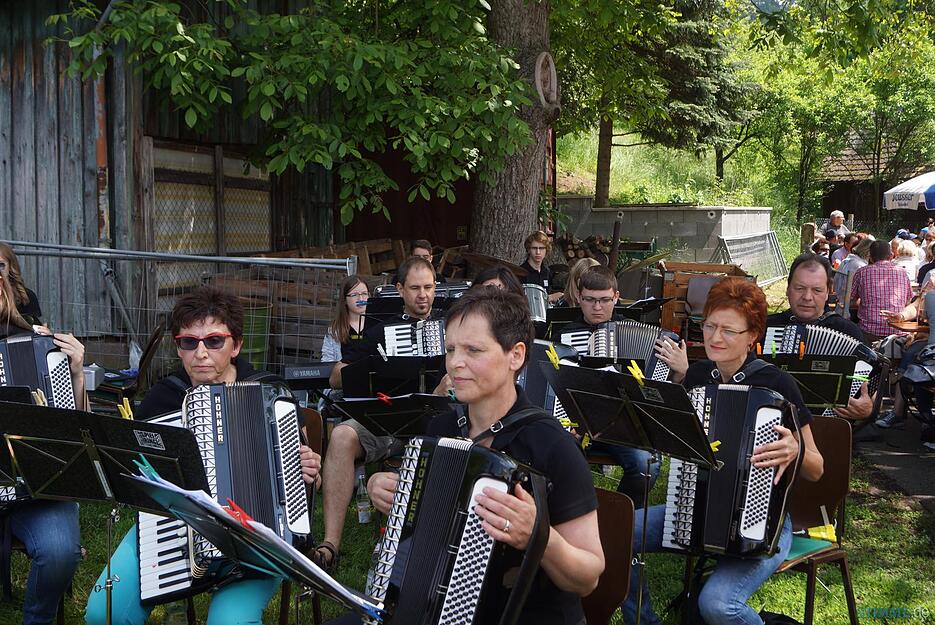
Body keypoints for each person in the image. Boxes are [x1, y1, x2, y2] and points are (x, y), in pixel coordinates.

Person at [85, 287, 321, 625]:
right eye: (188, 342)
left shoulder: (270, 396)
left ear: (235, 345)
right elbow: (134, 476)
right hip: (172, 530)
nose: (201, 353)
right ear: (178, 347)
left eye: (213, 341)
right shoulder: (162, 400)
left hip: (254, 544)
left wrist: (306, 468)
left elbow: (302, 475)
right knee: (102, 614)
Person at [367, 288, 604, 624]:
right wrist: (383, 486)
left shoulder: (552, 445)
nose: (455, 363)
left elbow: (589, 577)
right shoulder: (441, 428)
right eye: (450, 349)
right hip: (432, 609)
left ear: (516, 356)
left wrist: (538, 534)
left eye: (473, 350)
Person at [623, 277, 824, 625]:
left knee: (718, 605)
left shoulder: (776, 384)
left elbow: (817, 469)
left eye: (729, 331)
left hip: (762, 523)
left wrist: (797, 447)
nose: (715, 338)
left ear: (752, 336)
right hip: (691, 508)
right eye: (710, 326)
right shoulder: (699, 375)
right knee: (613, 534)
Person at [318, 257, 439, 571]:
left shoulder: (452, 327)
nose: (423, 295)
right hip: (389, 424)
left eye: (428, 287)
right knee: (343, 434)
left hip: (439, 427)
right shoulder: (381, 332)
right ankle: (330, 545)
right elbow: (335, 376)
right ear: (400, 290)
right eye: (415, 288)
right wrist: (371, 368)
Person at [0, 246, 84, 625]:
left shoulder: (38, 345)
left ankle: (38, 619)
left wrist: (78, 374)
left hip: (38, 489)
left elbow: (77, 430)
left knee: (61, 550)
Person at [560, 266, 662, 505]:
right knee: (559, 456)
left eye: (605, 300)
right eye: (590, 300)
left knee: (646, 464)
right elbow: (556, 385)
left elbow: (657, 387)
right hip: (578, 424)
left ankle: (620, 517)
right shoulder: (566, 336)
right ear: (578, 298)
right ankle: (575, 513)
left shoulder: (637, 332)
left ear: (616, 296)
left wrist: (680, 370)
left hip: (621, 425)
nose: (597, 307)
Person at [763, 253, 875, 421]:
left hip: (828, 428)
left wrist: (868, 408)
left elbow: (871, 389)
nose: (807, 297)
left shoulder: (848, 331)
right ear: (787, 289)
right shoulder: (764, 327)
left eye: (817, 290)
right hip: (772, 426)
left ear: (828, 292)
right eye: (799, 288)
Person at [850, 240, 913, 342]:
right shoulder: (902, 272)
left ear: (870, 257)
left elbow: (851, 300)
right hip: (898, 333)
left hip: (869, 332)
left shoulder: (862, 272)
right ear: (891, 256)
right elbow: (908, 301)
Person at [520, 231, 562, 303]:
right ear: (529, 250)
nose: (538, 252)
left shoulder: (547, 272)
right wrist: (550, 297)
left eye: (541, 248)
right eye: (534, 248)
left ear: (546, 250)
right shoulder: (520, 272)